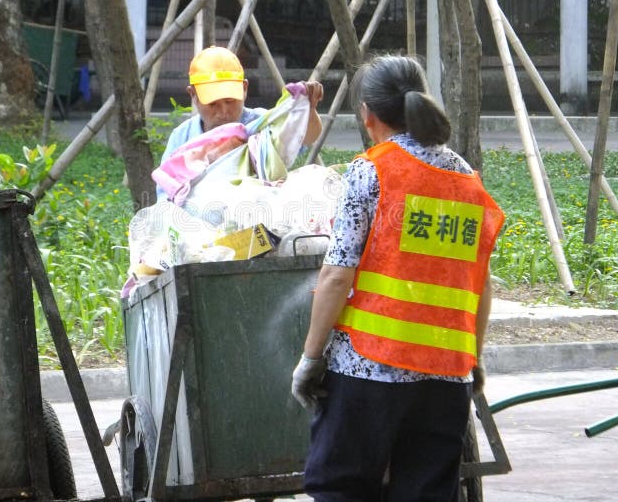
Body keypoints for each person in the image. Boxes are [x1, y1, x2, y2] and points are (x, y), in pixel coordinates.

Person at [291, 54, 504, 501]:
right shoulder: (468, 181)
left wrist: (311, 359)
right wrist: (474, 359)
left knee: (341, 488)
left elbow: (335, 276)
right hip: (446, 377)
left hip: (370, 371)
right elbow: (480, 283)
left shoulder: (371, 171)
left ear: (367, 115)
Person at [159, 45, 323, 165]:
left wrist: (309, 108)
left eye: (230, 101)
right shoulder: (182, 137)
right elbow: (166, 193)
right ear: (193, 95)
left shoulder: (262, 124)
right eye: (213, 103)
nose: (223, 111)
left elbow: (306, 138)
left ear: (244, 89)